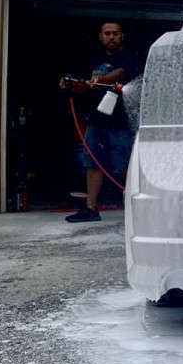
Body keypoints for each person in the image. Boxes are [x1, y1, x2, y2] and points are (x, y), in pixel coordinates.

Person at [63, 22, 138, 223]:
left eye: (115, 33)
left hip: (121, 122)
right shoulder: (94, 59)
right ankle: (91, 209)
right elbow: (85, 86)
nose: (111, 37)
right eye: (107, 34)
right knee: (92, 164)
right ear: (100, 36)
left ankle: (138, 208)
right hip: (96, 121)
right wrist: (71, 84)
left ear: (122, 36)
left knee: (125, 167)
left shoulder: (129, 57)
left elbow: (119, 74)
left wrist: (100, 81)